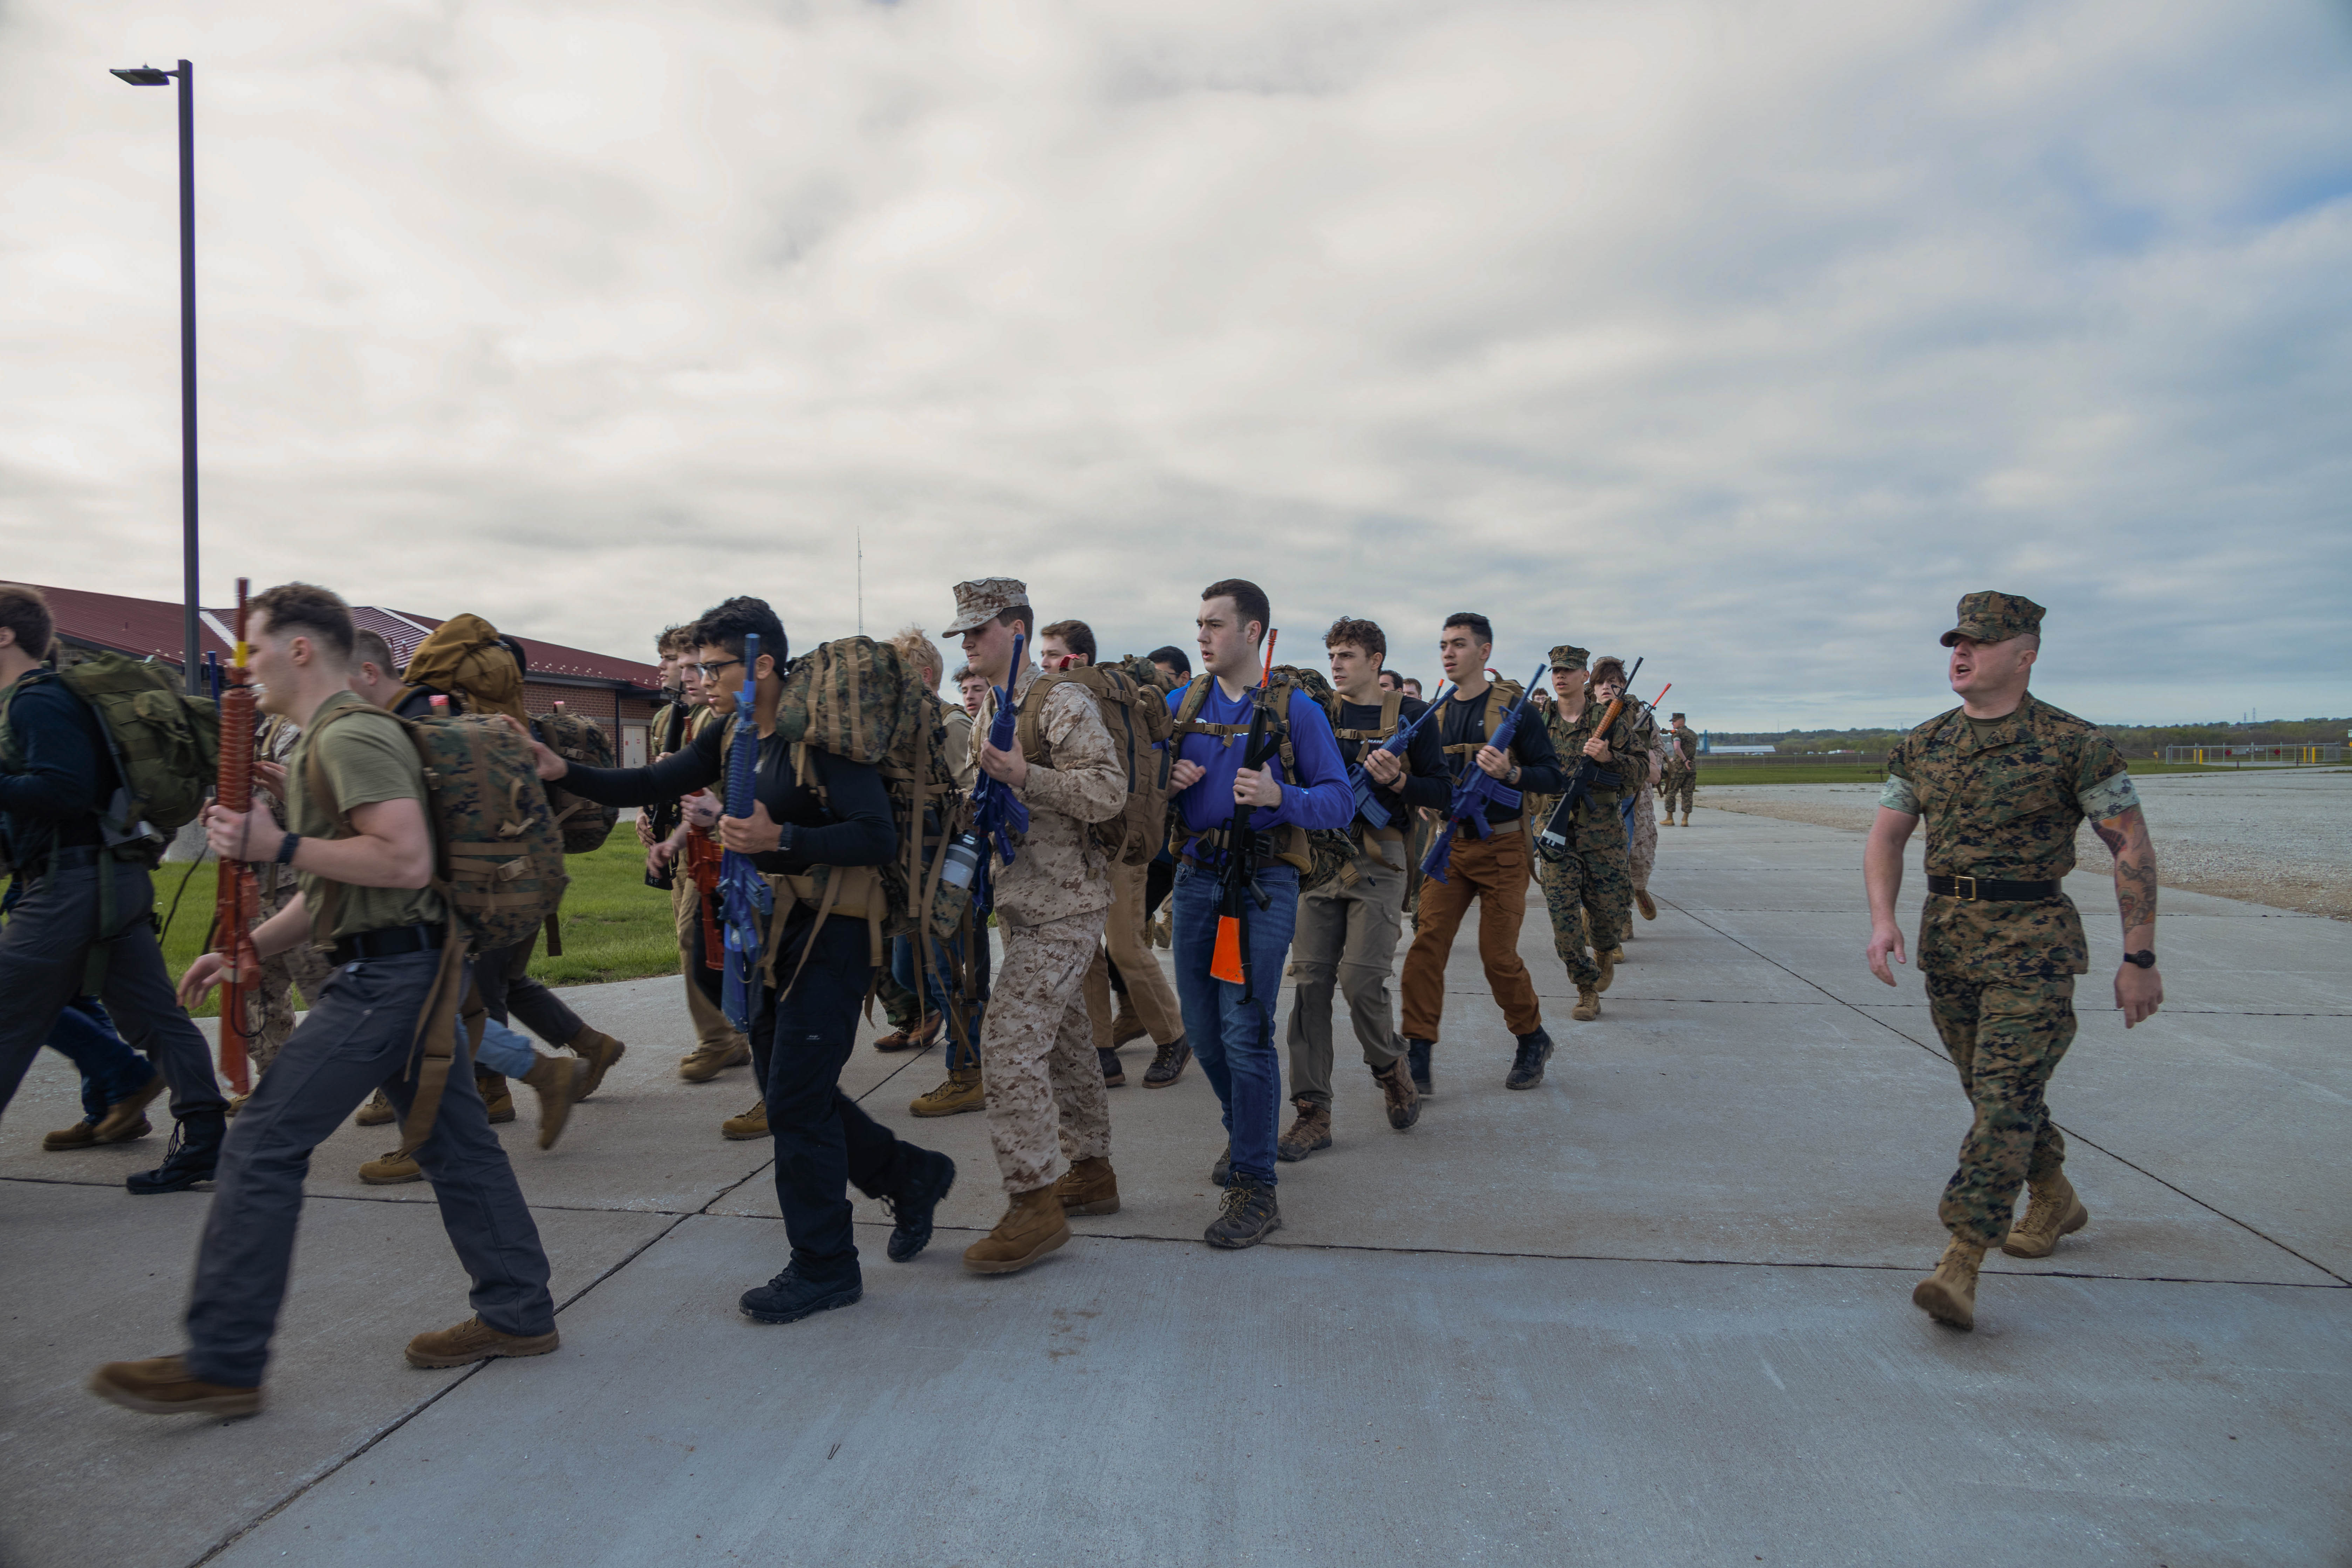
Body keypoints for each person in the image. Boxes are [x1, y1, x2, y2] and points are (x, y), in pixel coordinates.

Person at [89, 582, 558, 1418]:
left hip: (387, 980)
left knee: (262, 1143)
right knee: (456, 1147)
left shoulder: (353, 737)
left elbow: (404, 861)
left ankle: (226, 1362)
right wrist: (246, 947)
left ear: (301, 649)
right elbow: (334, 885)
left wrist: (278, 840)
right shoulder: (324, 741)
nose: (246, 666)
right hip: (397, 967)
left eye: (254, 647)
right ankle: (518, 1312)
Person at [528, 596, 955, 1321]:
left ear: (760, 663)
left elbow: (875, 835)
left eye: (711, 665)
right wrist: (558, 766)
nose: (698, 677)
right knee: (794, 1087)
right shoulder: (730, 731)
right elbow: (648, 784)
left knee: (792, 1100)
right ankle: (908, 1173)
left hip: (836, 933)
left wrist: (780, 840)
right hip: (767, 934)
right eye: (694, 664)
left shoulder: (815, 737)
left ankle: (826, 1265)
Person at [1867, 593, 2163, 1332]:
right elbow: (1886, 836)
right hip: (1950, 942)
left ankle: (1961, 1259)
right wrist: (1882, 920)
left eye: (1979, 643)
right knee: (1994, 1090)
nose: (1959, 655)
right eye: (1955, 643)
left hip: (2033, 944)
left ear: (2024, 654)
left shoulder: (2074, 743)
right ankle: (2055, 1193)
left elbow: (2129, 845)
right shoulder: (1923, 743)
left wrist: (2140, 954)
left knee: (2002, 1099)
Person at [0, 584, 230, 1192]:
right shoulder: (48, 699)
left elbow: (64, 790)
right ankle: (205, 1140)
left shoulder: (36, 702)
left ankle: (197, 1134)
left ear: (5, 635)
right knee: (154, 1017)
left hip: (72, 886)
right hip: (108, 878)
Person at [948, 578, 1127, 1274]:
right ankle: (1091, 1171)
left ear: (1017, 629)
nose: (967, 642)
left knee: (1008, 1041)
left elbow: (1107, 791)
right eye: (960, 632)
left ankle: (1033, 1203)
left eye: (979, 629)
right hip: (1024, 902)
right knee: (1066, 1043)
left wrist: (1030, 777)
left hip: (1067, 902)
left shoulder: (1060, 701)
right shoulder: (991, 706)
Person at [1166, 578, 1351, 1247]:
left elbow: (1338, 802)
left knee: (1245, 1031)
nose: (1203, 636)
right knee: (1202, 1029)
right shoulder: (1178, 704)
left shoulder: (1295, 709)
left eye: (1215, 624)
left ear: (1253, 632)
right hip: (1196, 880)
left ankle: (1255, 1183)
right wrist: (1166, 781)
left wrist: (1281, 793)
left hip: (1263, 884)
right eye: (1199, 624)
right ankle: (1245, 1129)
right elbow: (1135, 788)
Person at [1277, 616, 1447, 1160]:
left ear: (1375, 661)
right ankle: (1312, 1112)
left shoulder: (1412, 716)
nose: (1336, 665)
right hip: (1319, 858)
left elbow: (1441, 790)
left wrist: (1398, 780)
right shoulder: (1315, 712)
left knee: (1360, 981)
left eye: (1347, 655)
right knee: (1308, 987)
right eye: (1331, 655)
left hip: (1377, 855)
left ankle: (1389, 1065)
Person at [1395, 614, 1566, 1095]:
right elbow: (1425, 776)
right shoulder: (1434, 713)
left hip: (1503, 847)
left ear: (1484, 652)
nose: (1448, 653)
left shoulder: (1515, 710)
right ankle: (1419, 1050)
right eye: (1443, 645)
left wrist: (1511, 774)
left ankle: (1531, 1037)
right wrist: (1428, 798)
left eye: (1459, 644)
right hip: (1450, 844)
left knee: (1497, 955)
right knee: (1426, 946)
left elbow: (1552, 776)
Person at [877, 626, 988, 1119]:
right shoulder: (900, 726)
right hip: (910, 875)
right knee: (906, 969)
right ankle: (951, 1039)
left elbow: (976, 792)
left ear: (921, 676)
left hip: (948, 876)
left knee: (955, 976)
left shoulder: (951, 724)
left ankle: (968, 1071)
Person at [1532, 647, 1636, 1030]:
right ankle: (1586, 988)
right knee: (1564, 921)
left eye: (1569, 670)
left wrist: (1610, 758)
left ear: (1584, 678)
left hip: (1604, 835)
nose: (1560, 676)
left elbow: (1639, 773)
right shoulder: (1540, 721)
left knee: (1608, 916)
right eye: (1556, 670)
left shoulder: (1610, 720)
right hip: (1556, 833)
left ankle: (1605, 948)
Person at [1663, 713, 1697, 825]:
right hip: (1691, 768)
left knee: (1671, 792)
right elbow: (1687, 750)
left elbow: (1677, 748)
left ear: (1682, 721)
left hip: (1679, 768)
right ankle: (1685, 820)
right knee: (1688, 794)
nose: (1673, 723)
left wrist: (1683, 760)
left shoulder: (1678, 733)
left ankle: (1670, 819)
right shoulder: (1693, 734)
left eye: (1674, 721)